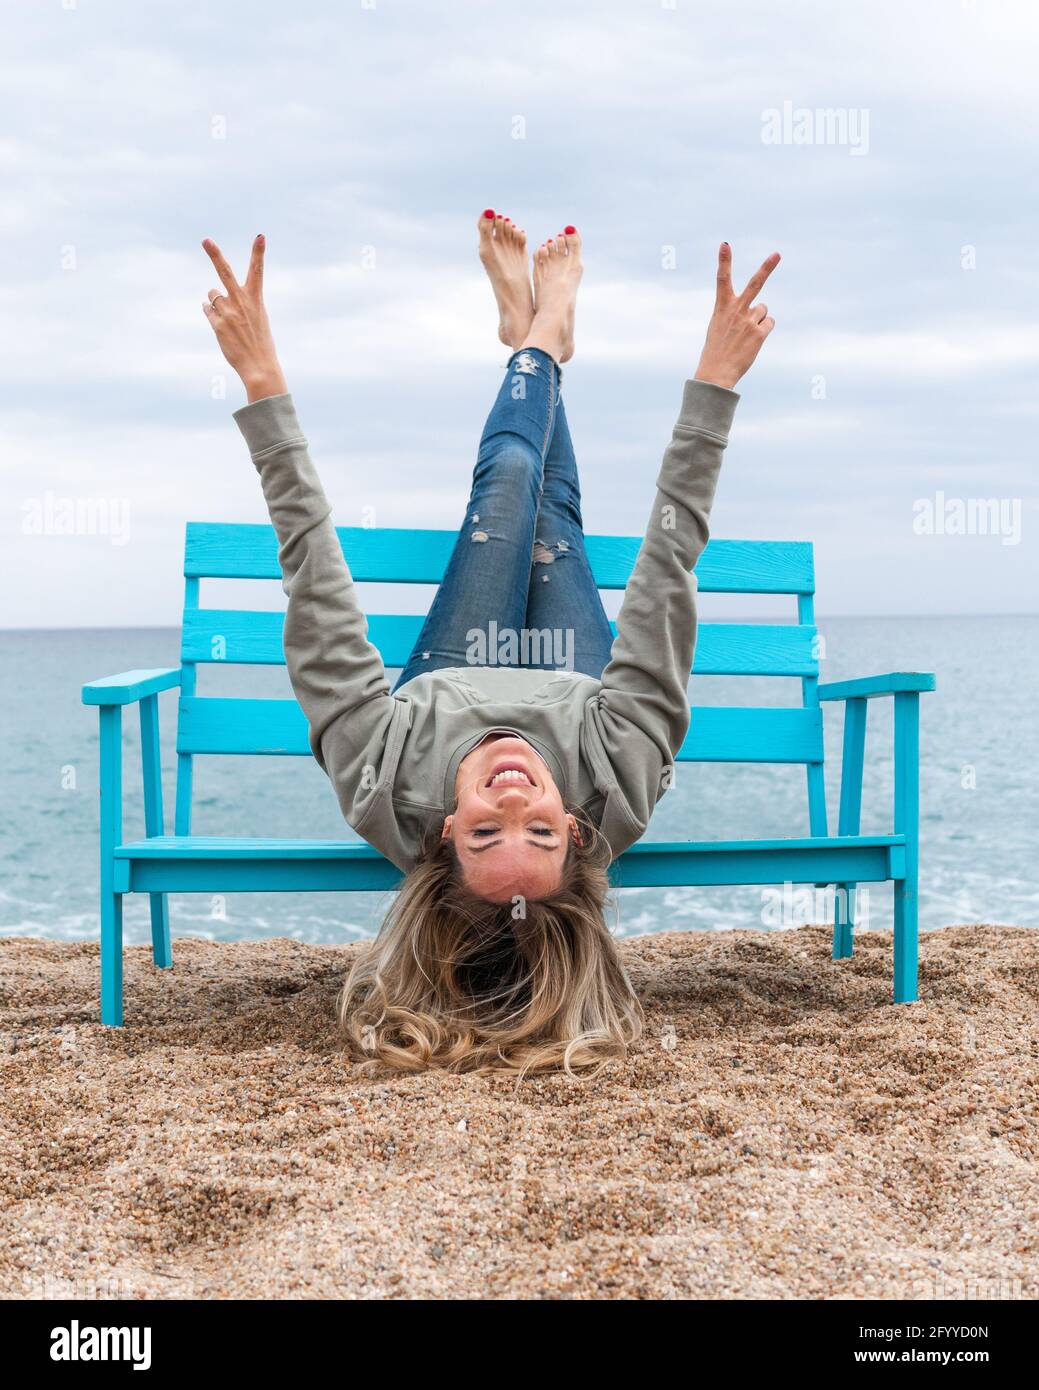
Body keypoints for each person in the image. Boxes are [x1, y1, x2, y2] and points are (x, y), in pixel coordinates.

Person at [201, 213, 779, 1075]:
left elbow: (313, 579)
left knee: (510, 480)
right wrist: (714, 389)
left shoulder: (381, 782)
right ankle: (535, 332)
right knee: (551, 510)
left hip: (454, 672)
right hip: (577, 687)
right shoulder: (617, 781)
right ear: (580, 835)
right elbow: (666, 571)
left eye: (484, 834)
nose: (514, 793)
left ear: (439, 837)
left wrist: (260, 382)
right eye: (540, 832)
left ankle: (537, 332)